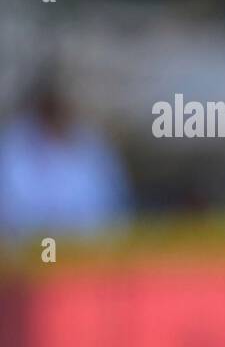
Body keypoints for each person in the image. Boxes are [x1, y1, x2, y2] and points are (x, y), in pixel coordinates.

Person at [0, 77, 130, 237]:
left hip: (88, 249)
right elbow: (12, 213)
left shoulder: (91, 145)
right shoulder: (13, 148)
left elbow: (113, 206)